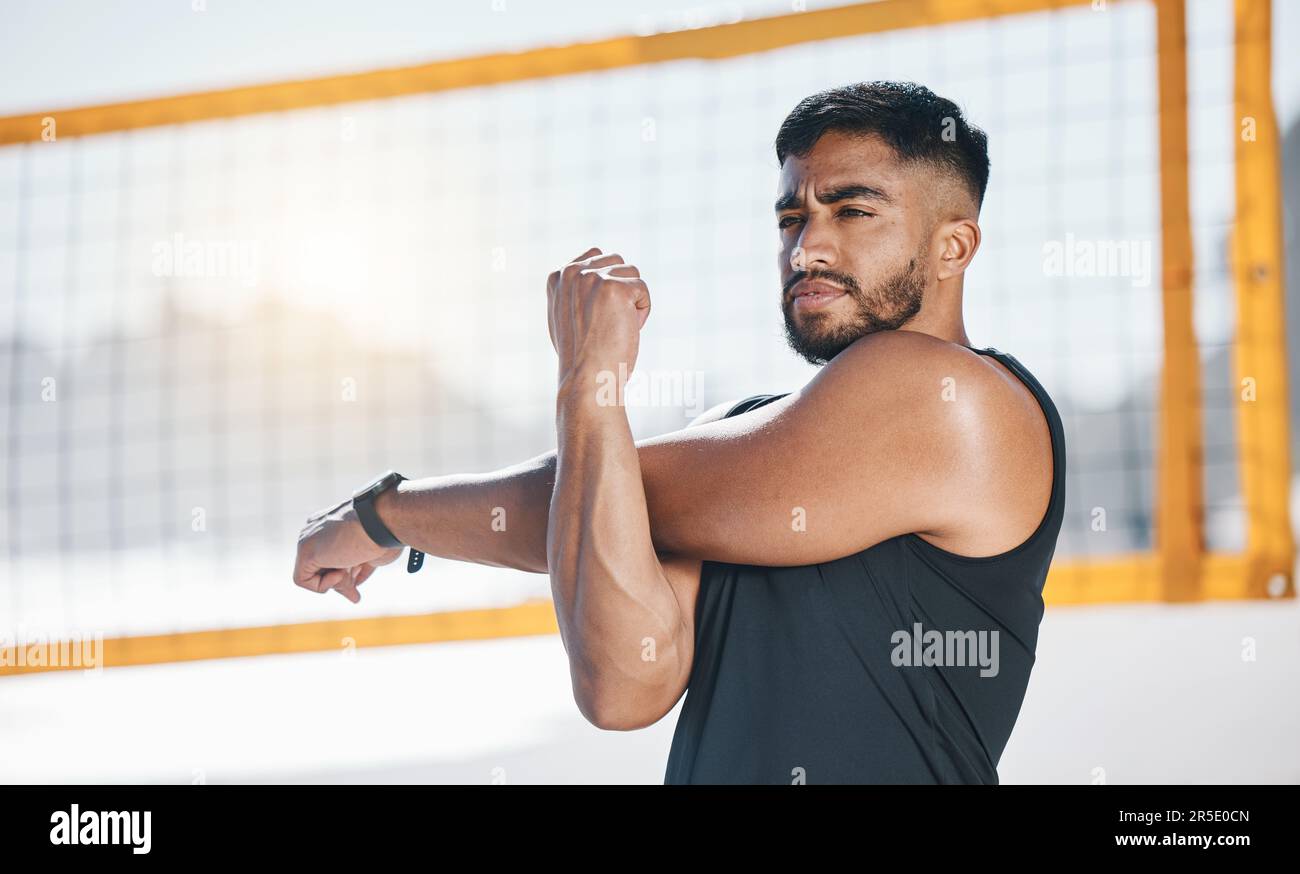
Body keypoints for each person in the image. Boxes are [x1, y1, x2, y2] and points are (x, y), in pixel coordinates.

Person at [292, 81, 1066, 784]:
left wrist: (384, 515)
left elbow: (621, 496)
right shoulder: (739, 433)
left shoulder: (952, 396)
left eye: (853, 211)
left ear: (953, 247)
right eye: (792, 218)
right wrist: (588, 385)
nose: (807, 249)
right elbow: (624, 686)